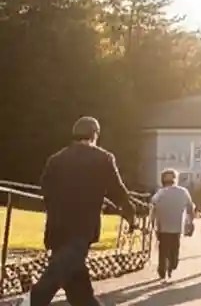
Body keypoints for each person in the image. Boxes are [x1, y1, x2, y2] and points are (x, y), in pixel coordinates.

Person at [23, 117, 137, 306]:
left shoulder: (56, 159)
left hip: (56, 228)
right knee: (56, 274)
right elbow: (118, 192)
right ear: (95, 134)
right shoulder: (103, 158)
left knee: (79, 291)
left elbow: (45, 189)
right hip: (82, 228)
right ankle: (29, 303)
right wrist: (131, 217)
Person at [150, 168, 195, 281]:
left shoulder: (160, 193)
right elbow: (190, 207)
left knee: (163, 249)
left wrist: (152, 223)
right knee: (174, 248)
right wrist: (191, 222)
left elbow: (153, 206)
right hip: (177, 227)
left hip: (162, 227)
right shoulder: (183, 192)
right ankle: (171, 266)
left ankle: (162, 270)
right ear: (175, 179)